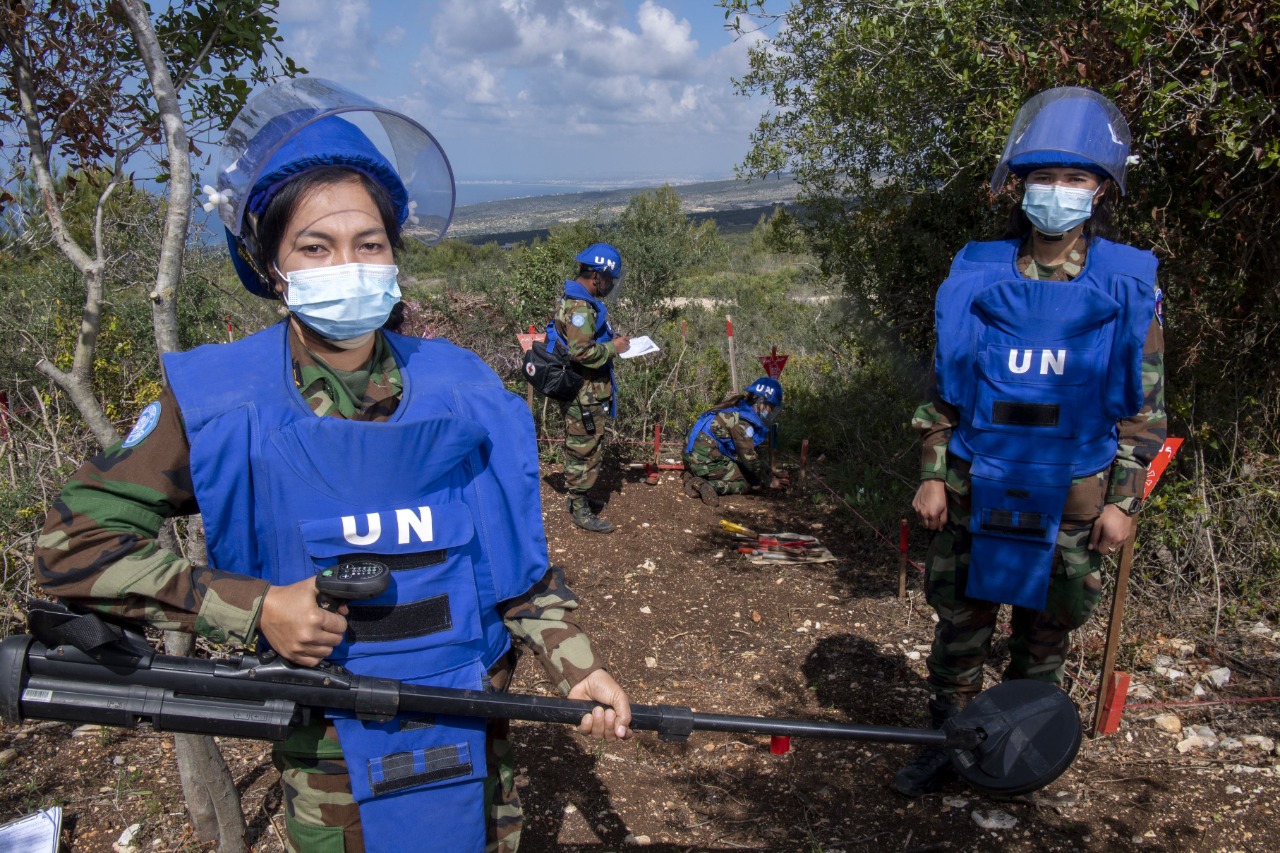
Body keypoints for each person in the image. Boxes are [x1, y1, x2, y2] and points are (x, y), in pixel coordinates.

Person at [34, 77, 631, 853]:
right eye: (315, 246)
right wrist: (252, 608)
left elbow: (511, 566)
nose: (346, 264)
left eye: (368, 243)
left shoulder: (462, 390)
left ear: (393, 255)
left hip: (470, 735)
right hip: (332, 767)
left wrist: (575, 667)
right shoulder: (224, 403)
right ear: (273, 266)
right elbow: (72, 547)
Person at [894, 86, 1166, 797]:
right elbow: (945, 385)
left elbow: (1144, 411)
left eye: (1074, 177)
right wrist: (930, 470)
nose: (1057, 191)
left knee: (1043, 639)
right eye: (1044, 176)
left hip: (1075, 494)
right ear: (1019, 184)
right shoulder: (978, 273)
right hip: (975, 485)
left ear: (1101, 188)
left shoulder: (1125, 286)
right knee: (959, 631)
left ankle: (1017, 758)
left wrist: (1125, 502)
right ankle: (946, 748)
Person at [548, 244, 630, 533]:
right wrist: (614, 348)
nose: (609, 286)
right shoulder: (581, 306)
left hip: (586, 391)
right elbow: (581, 352)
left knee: (583, 445)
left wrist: (608, 342)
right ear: (596, 276)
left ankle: (578, 499)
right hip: (584, 394)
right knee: (584, 448)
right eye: (609, 280)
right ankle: (579, 509)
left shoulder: (577, 300)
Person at [681, 377, 788, 507]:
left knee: (749, 474)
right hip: (702, 458)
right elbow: (750, 460)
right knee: (749, 482)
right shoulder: (742, 422)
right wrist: (770, 481)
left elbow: (745, 456)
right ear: (760, 402)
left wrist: (770, 472)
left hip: (693, 455)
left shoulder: (738, 408)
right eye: (770, 407)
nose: (771, 411)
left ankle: (692, 474)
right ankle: (704, 484)